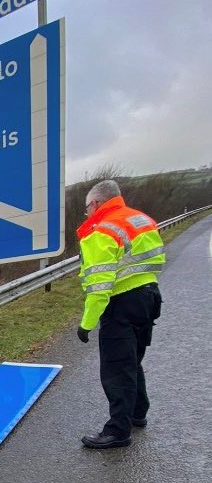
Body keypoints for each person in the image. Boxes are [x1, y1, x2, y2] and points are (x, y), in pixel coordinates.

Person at [75, 180, 165, 449]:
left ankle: (118, 430)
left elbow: (100, 285)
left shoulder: (101, 231)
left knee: (117, 368)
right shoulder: (140, 219)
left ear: (95, 204)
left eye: (87, 208)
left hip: (121, 302)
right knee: (133, 360)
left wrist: (87, 323)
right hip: (149, 296)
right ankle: (137, 412)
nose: (87, 214)